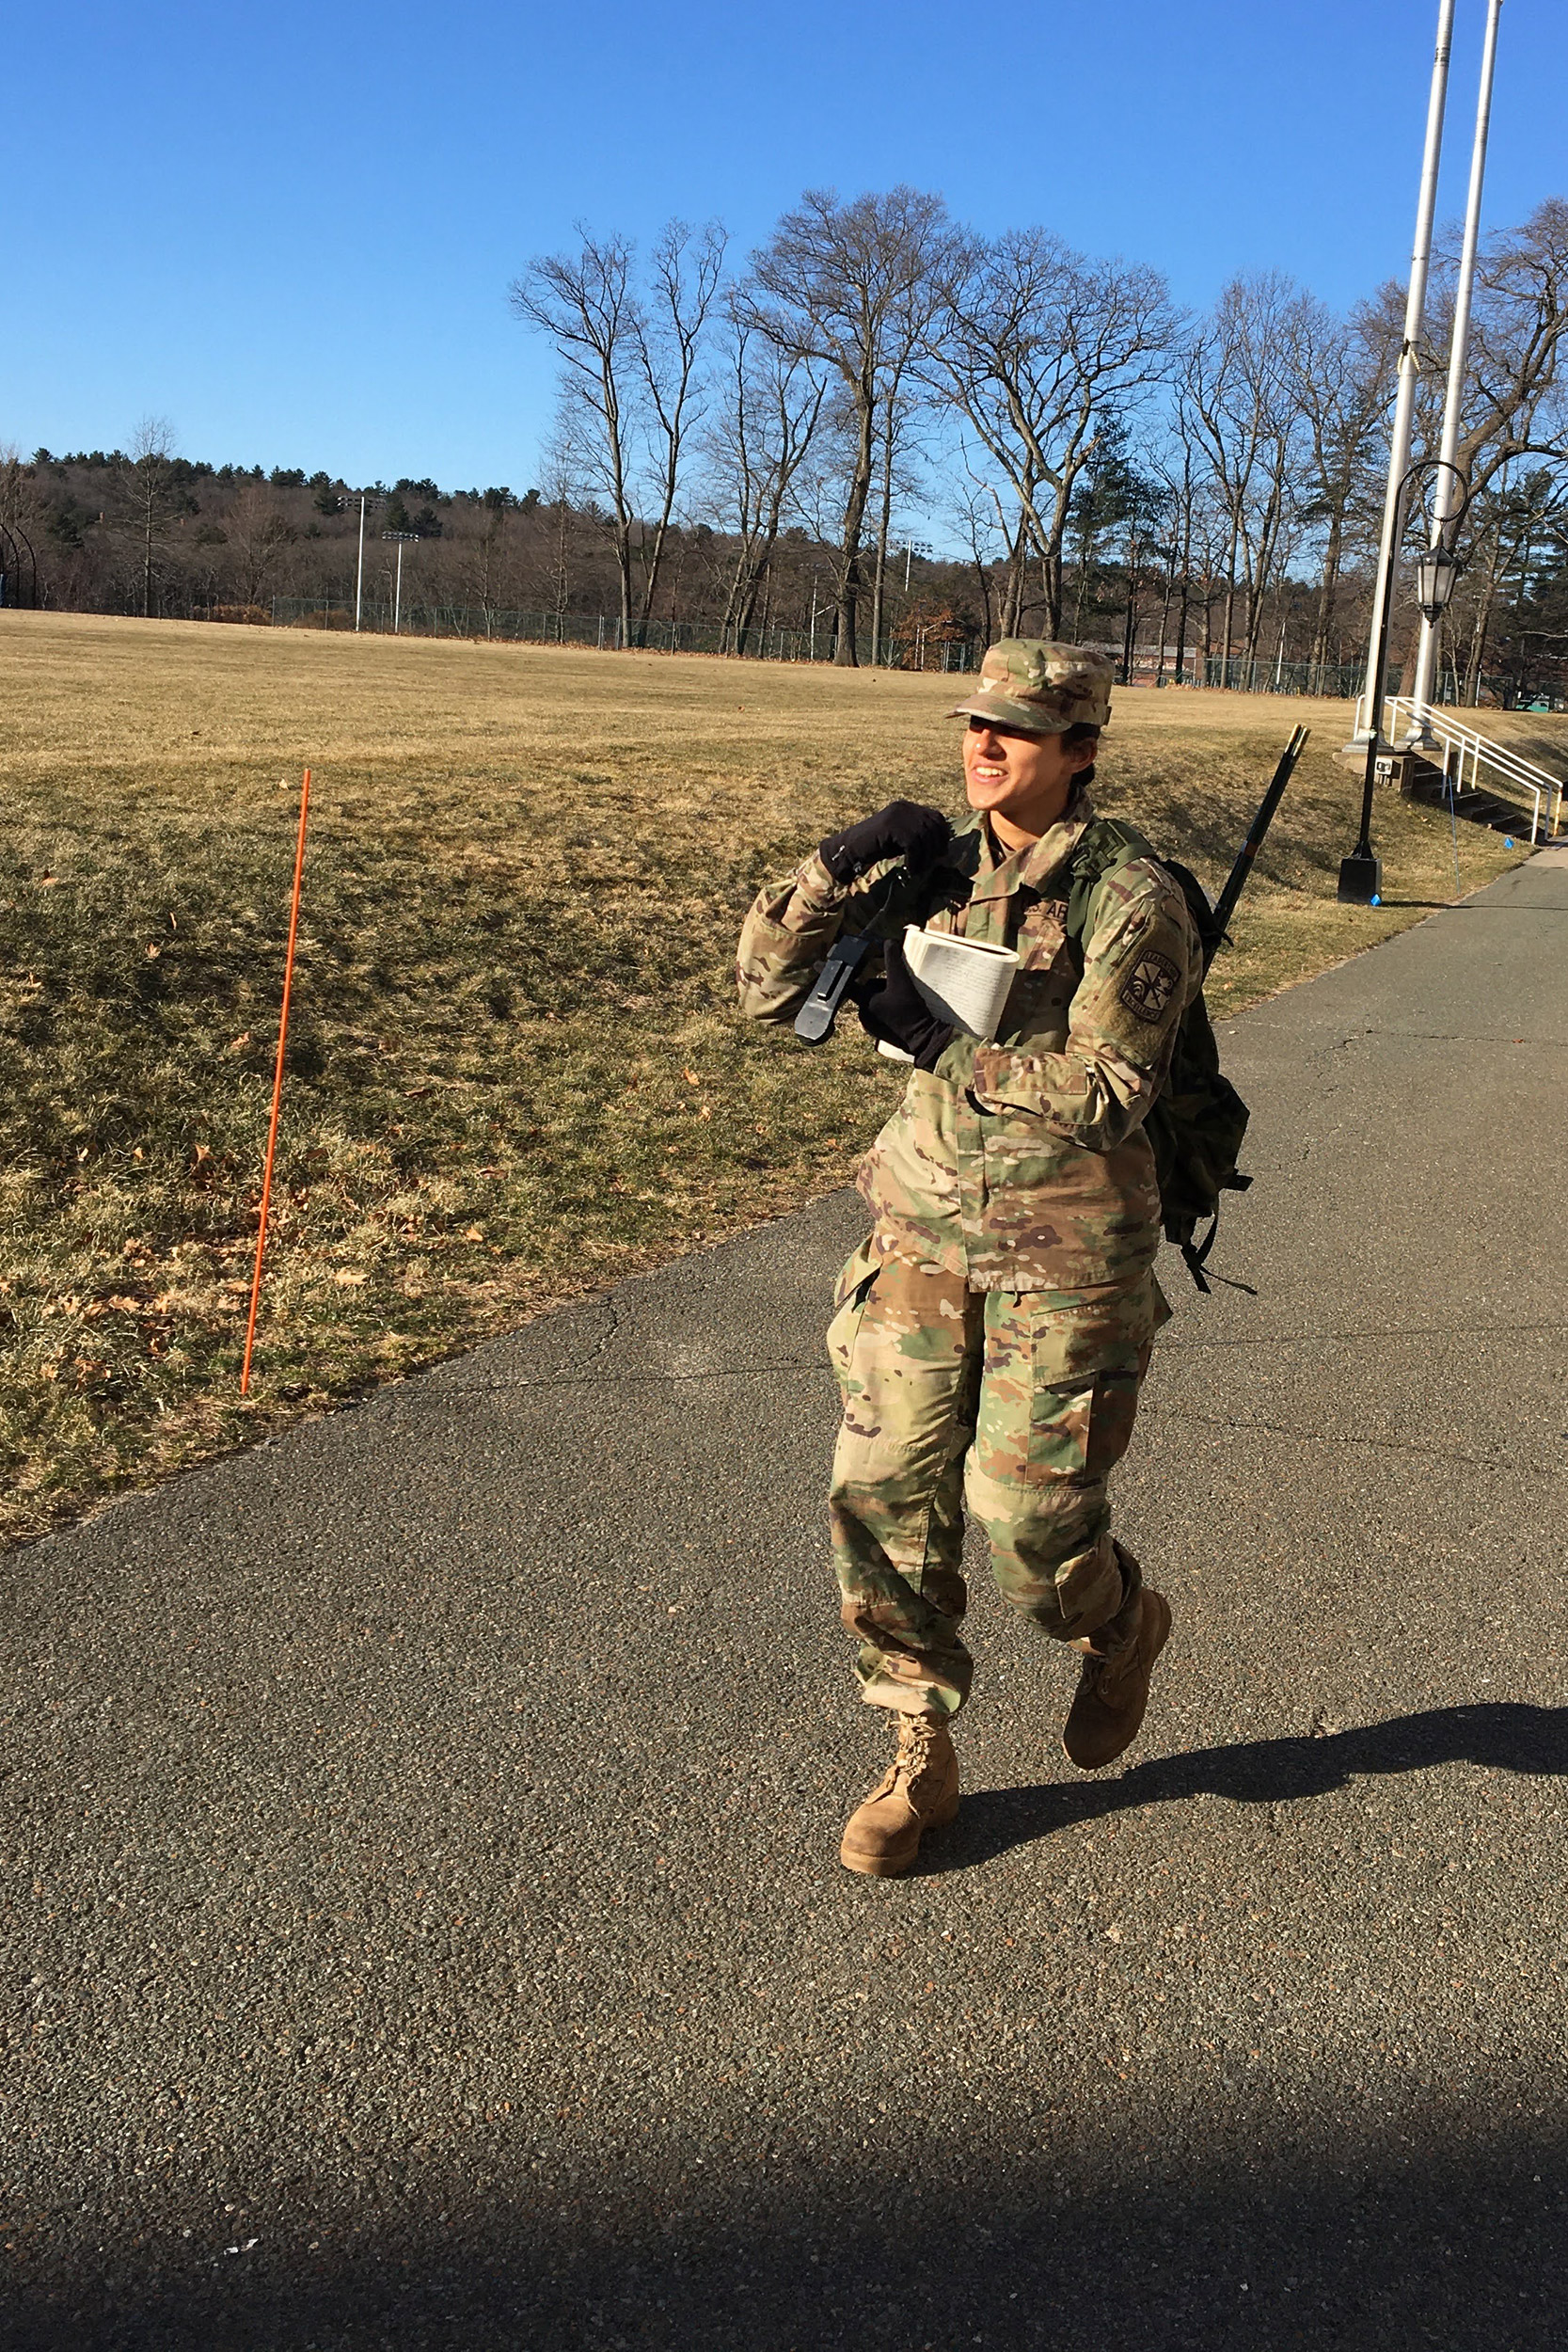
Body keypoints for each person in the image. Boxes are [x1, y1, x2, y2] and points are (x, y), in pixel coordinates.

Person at [736, 640, 1203, 1877]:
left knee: (1030, 1530)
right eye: (974, 725)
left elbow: (1106, 1092)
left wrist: (943, 1048)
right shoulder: (929, 874)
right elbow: (767, 995)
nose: (984, 746)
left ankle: (1117, 1625)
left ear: (1082, 752)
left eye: (1018, 731)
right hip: (921, 1232)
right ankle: (916, 1752)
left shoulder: (1130, 895)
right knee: (883, 1500)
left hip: (1067, 1251)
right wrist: (833, 874)